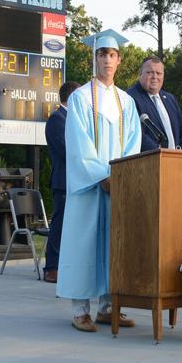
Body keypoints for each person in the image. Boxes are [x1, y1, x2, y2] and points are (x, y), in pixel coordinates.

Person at [56, 30, 142, 333]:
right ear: (95, 58)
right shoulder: (80, 98)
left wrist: (122, 175)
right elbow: (78, 143)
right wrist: (100, 175)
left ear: (119, 60)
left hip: (116, 185)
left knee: (114, 245)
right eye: (102, 54)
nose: (107, 59)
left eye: (112, 54)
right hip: (89, 185)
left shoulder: (126, 102)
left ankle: (109, 307)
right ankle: (80, 309)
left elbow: (133, 143)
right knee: (84, 244)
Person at [42, 81, 80, 284]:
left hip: (78, 181)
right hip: (64, 181)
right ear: (72, 97)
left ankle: (69, 266)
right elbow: (66, 151)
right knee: (60, 223)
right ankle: (52, 267)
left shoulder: (76, 120)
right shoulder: (58, 119)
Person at [127, 56, 182, 151]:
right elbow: (137, 134)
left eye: (159, 73)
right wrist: (160, 153)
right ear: (140, 74)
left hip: (177, 160)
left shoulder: (170, 99)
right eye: (149, 73)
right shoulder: (130, 98)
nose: (155, 77)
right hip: (149, 161)